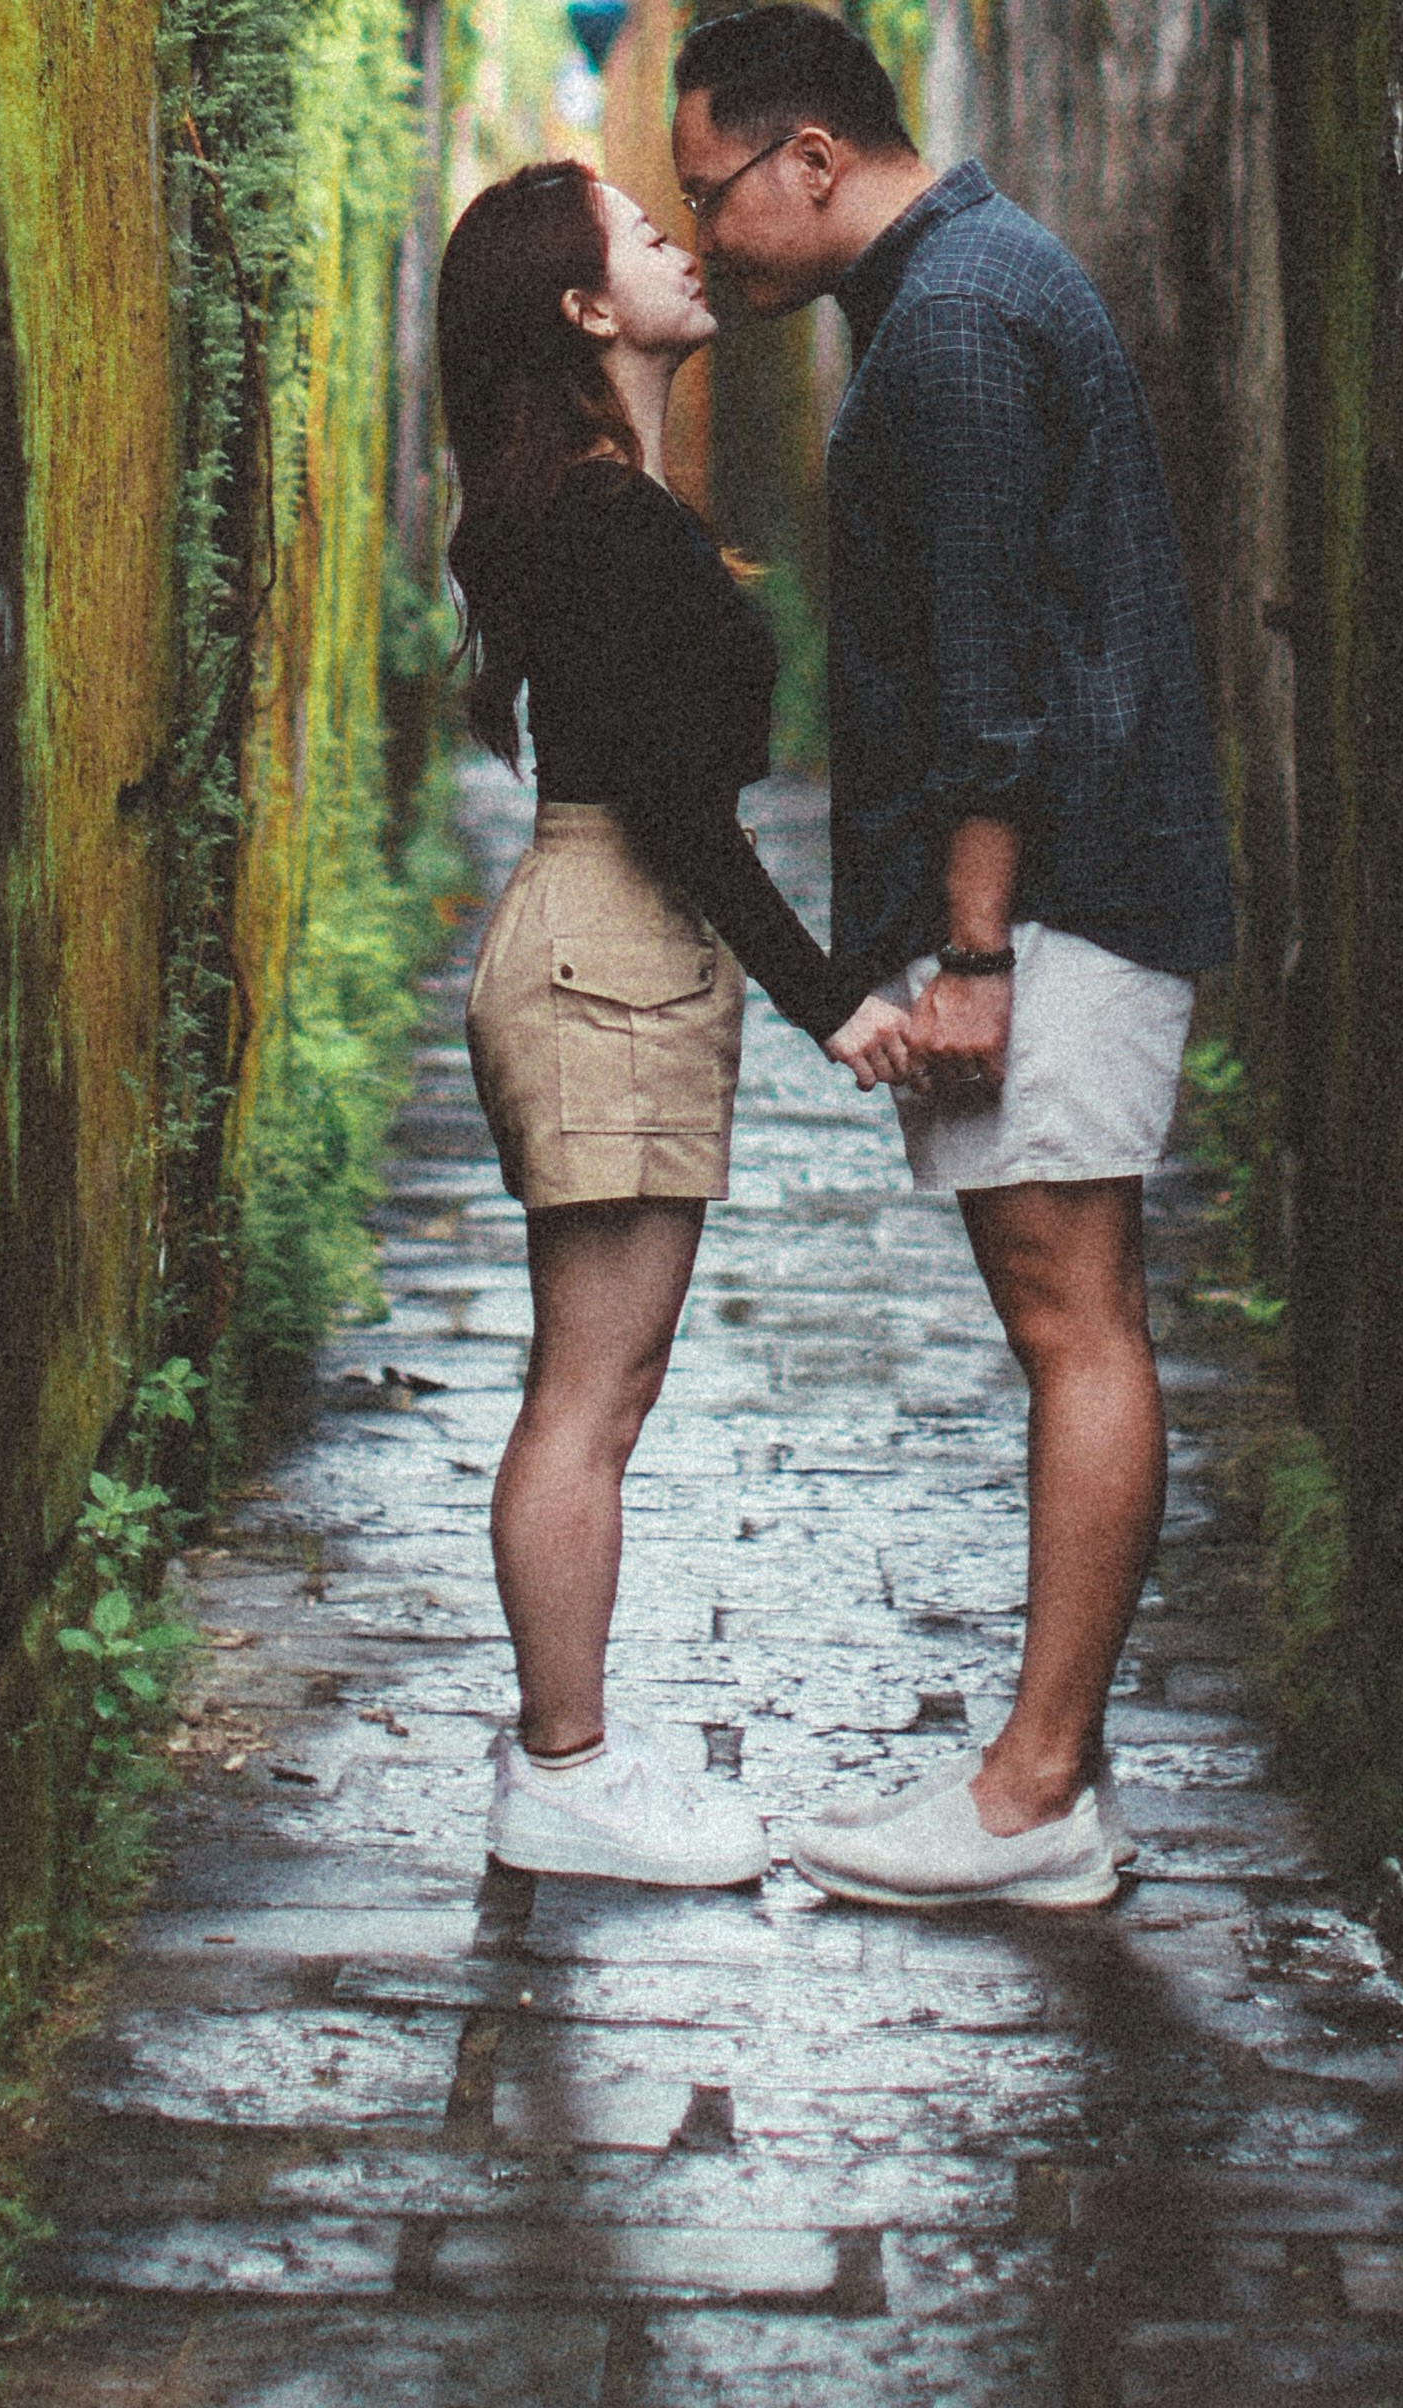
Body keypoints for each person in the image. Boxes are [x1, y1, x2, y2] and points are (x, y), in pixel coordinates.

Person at [666, 4, 1235, 1910]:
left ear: (810, 159)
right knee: (1075, 1316)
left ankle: (1034, 1796)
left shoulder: (961, 325)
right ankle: (1048, 1777)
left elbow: (998, 671)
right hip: (1064, 888)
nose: (706, 238)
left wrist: (973, 948)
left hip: (1053, 900)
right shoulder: (964, 291)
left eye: (711, 193)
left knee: (1073, 1319)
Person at [439, 158, 900, 1886]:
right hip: (611, 945)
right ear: (581, 309)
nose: (677, 247)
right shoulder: (606, 518)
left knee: (597, 1391)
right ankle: (565, 1775)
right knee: (589, 1397)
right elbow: (672, 806)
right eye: (642, 236)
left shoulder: (607, 500)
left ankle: (568, 1760)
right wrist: (830, 1000)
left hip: (616, 945)